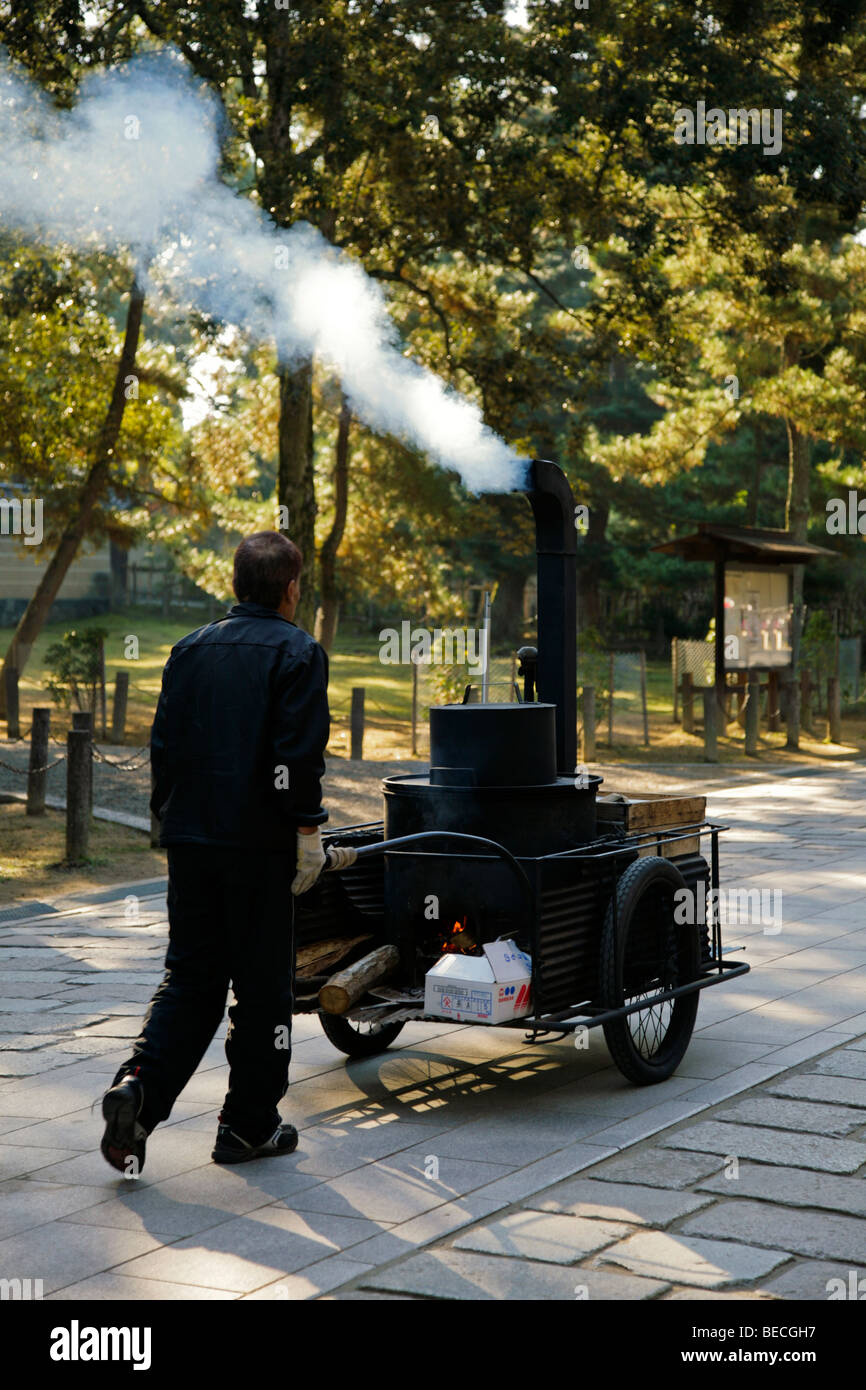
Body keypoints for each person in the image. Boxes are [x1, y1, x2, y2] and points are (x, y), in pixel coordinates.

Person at [100, 531, 347, 1175]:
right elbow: (297, 758)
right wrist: (307, 833)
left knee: (191, 980)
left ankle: (139, 1090)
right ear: (291, 588)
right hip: (259, 848)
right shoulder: (299, 652)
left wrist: (172, 820)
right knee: (263, 991)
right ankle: (247, 1126)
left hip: (192, 842)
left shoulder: (189, 649)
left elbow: (164, 747)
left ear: (236, 585)